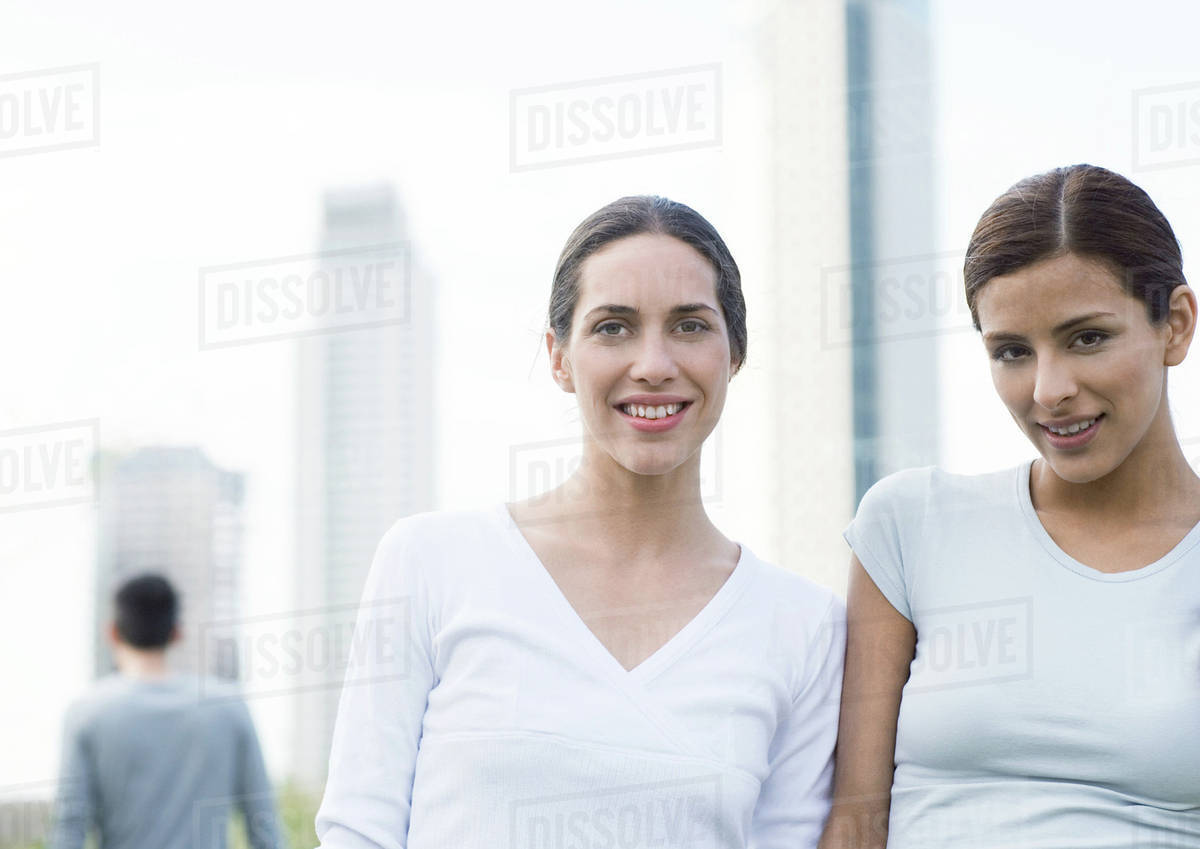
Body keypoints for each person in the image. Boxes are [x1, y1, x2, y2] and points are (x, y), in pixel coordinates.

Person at [314, 195, 845, 848]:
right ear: (559, 356)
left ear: (733, 353)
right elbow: (357, 831)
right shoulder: (429, 562)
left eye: (690, 325)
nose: (652, 363)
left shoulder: (805, 627)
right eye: (613, 327)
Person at [818, 164, 1200, 849]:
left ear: (1174, 325)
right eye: (1013, 351)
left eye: (1088, 337)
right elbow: (855, 821)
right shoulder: (912, 523)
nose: (1048, 389)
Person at [48, 573, 281, 849]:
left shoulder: (86, 712)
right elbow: (264, 824)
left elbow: (69, 828)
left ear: (112, 632)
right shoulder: (228, 707)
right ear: (176, 632)